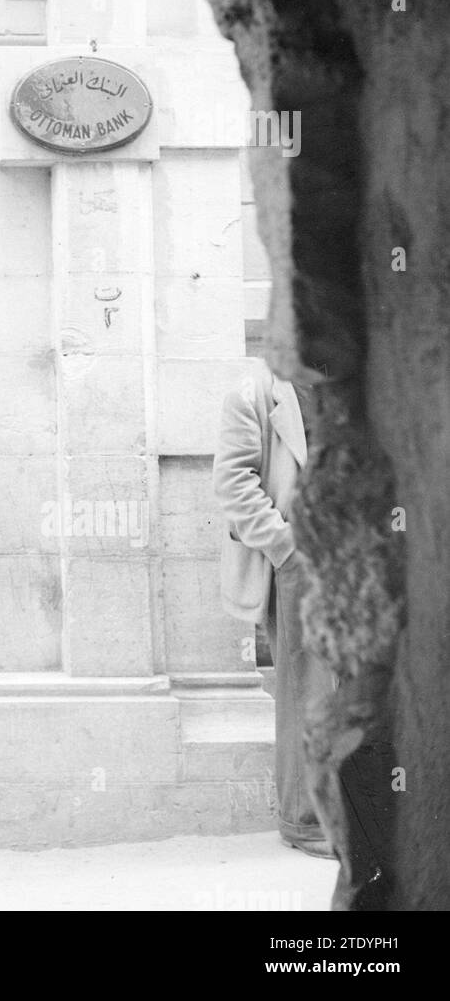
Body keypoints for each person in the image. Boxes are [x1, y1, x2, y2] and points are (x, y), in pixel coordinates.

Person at [213, 356, 336, 859]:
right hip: (300, 558)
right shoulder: (255, 389)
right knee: (309, 692)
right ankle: (306, 822)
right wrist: (285, 549)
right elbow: (234, 482)